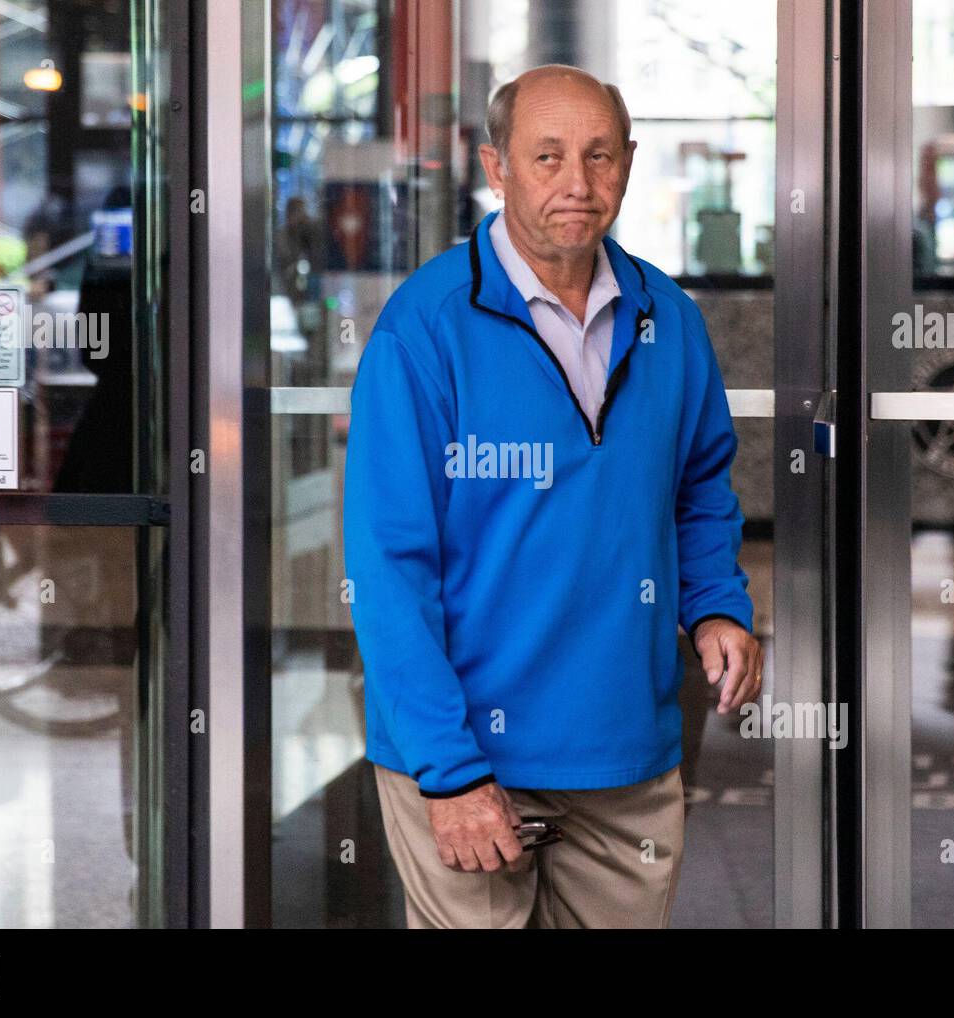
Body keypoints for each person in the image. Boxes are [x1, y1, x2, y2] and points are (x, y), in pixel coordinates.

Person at [343, 64, 763, 929]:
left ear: (630, 163)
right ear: (495, 169)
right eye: (547, 157)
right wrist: (448, 770)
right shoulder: (424, 329)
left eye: (600, 156)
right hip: (467, 757)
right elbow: (389, 570)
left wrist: (716, 606)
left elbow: (697, 488)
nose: (578, 182)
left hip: (625, 752)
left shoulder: (669, 318)